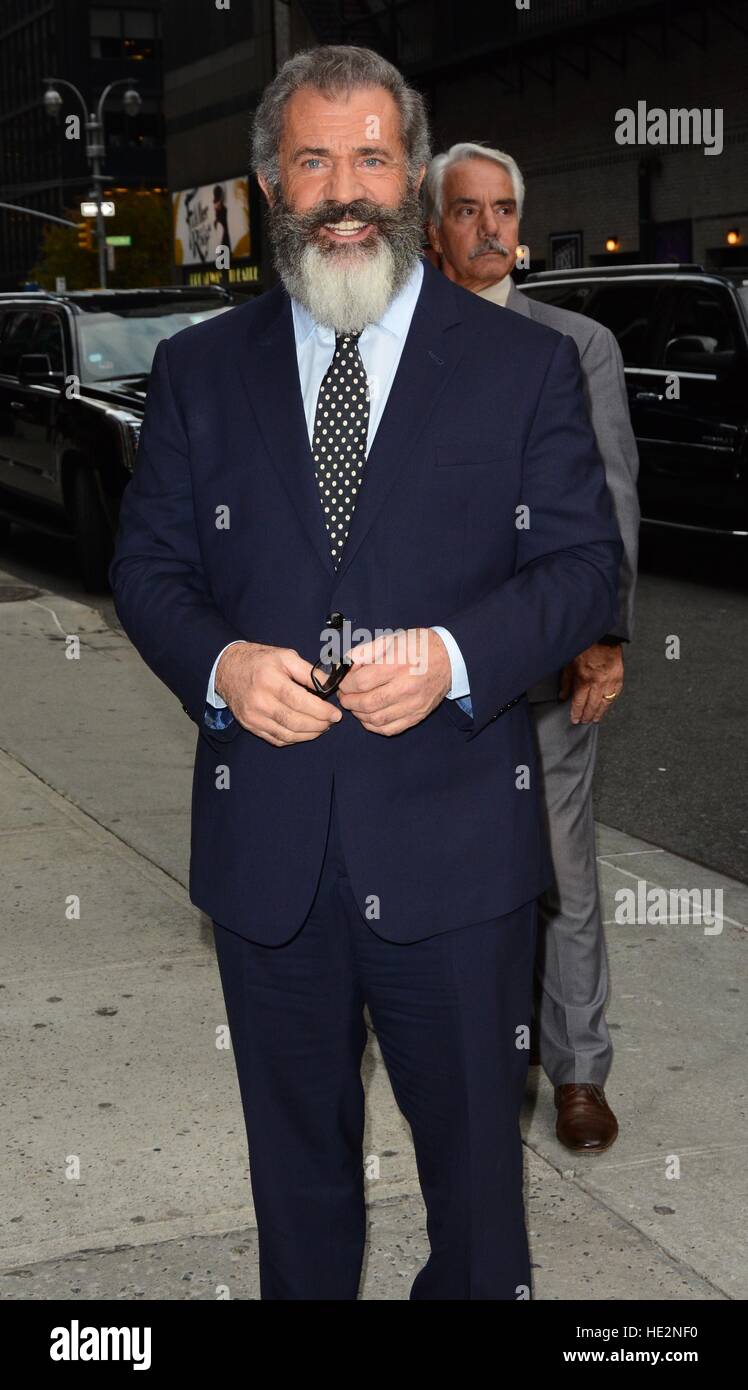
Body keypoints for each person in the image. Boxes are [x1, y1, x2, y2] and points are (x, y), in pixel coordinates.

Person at [110, 46, 622, 1299]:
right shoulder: (198, 369)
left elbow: (582, 571)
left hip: (455, 855)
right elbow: (148, 571)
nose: (344, 188)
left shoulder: (522, 365)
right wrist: (221, 664)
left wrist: (455, 657)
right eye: (313, 160)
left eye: (372, 157)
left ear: (412, 174)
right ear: (269, 184)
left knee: (478, 1202)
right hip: (266, 858)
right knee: (295, 1183)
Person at [424, 142, 640, 1153]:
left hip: (550, 662)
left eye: (504, 209)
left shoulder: (574, 345)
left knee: (561, 870)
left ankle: (579, 1072)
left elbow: (608, 503)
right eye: (467, 212)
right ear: (434, 228)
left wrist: (602, 637)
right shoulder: (397, 342)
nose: (491, 229)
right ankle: (482, 1058)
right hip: (431, 672)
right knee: (452, 875)